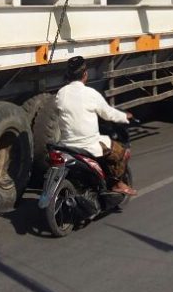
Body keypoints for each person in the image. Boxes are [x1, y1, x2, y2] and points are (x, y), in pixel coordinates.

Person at [56, 56, 136, 195]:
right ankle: (117, 183)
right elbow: (108, 114)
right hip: (89, 145)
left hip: (67, 145)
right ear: (85, 74)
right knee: (122, 152)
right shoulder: (91, 94)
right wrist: (125, 116)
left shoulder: (61, 93)